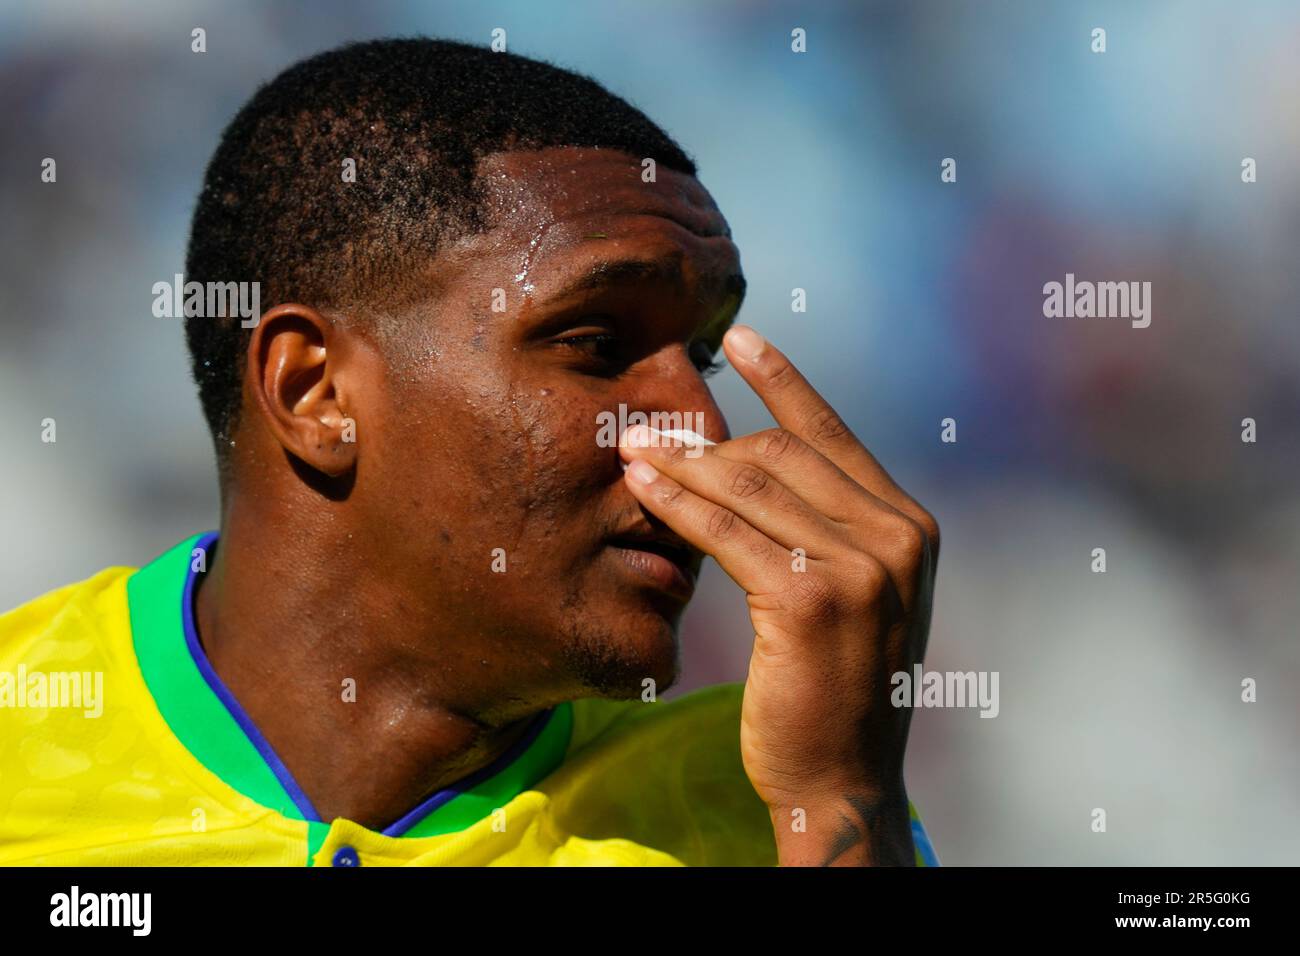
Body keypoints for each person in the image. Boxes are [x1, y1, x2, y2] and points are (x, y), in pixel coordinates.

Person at [0, 37, 941, 867]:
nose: (701, 426)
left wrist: (836, 805)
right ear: (313, 392)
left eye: (701, 358)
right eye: (595, 342)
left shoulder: (773, 807)